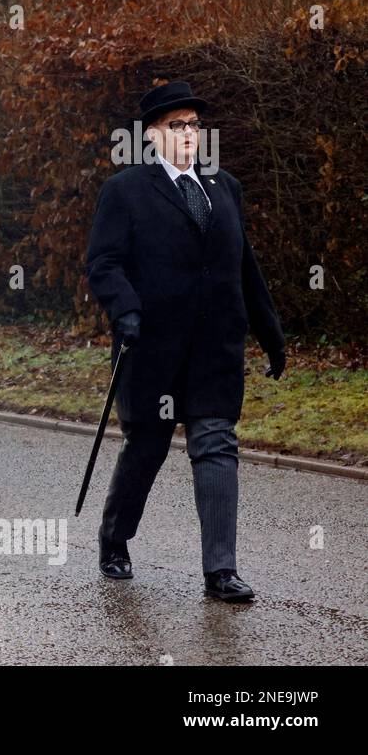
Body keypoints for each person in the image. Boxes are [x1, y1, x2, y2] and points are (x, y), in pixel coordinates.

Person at [85, 81, 286, 602]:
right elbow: (103, 263)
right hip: (151, 348)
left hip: (214, 349)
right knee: (147, 447)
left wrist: (271, 333)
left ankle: (221, 571)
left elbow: (245, 268)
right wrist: (125, 309)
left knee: (216, 444)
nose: (189, 134)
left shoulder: (225, 188)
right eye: (177, 126)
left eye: (195, 125)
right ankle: (115, 538)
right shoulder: (125, 191)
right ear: (152, 136)